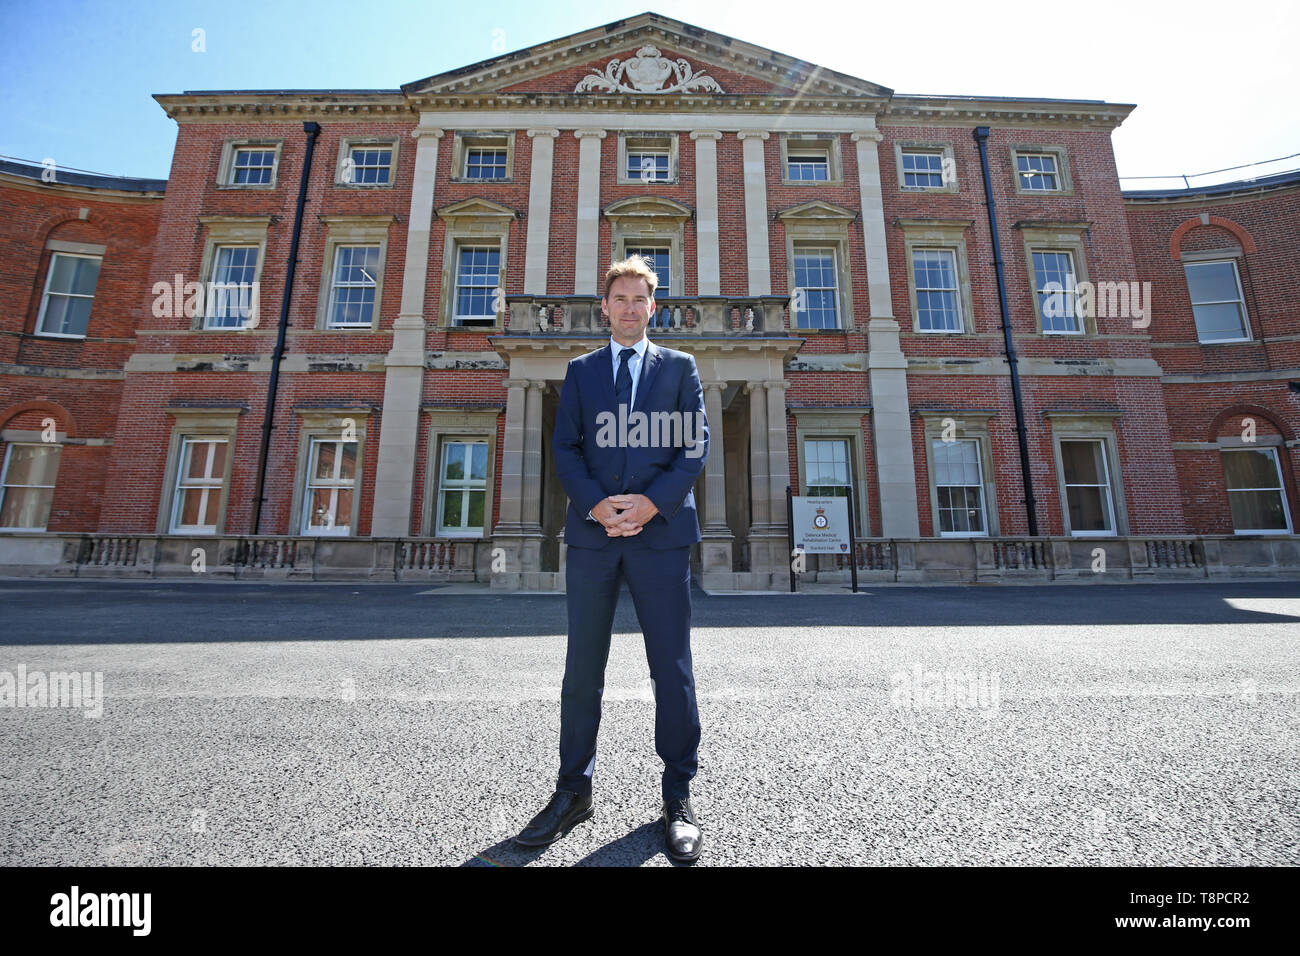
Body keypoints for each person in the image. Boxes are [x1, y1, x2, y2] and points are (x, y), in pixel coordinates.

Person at [514, 255, 709, 862]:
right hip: (594, 537)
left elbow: (693, 446)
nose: (629, 307)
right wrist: (599, 506)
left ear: (655, 307)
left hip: (660, 535)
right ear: (606, 306)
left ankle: (677, 797)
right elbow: (566, 447)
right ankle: (573, 791)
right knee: (582, 671)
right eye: (619, 298)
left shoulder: (680, 368)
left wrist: (650, 505)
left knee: (671, 669)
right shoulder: (581, 371)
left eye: (639, 299)